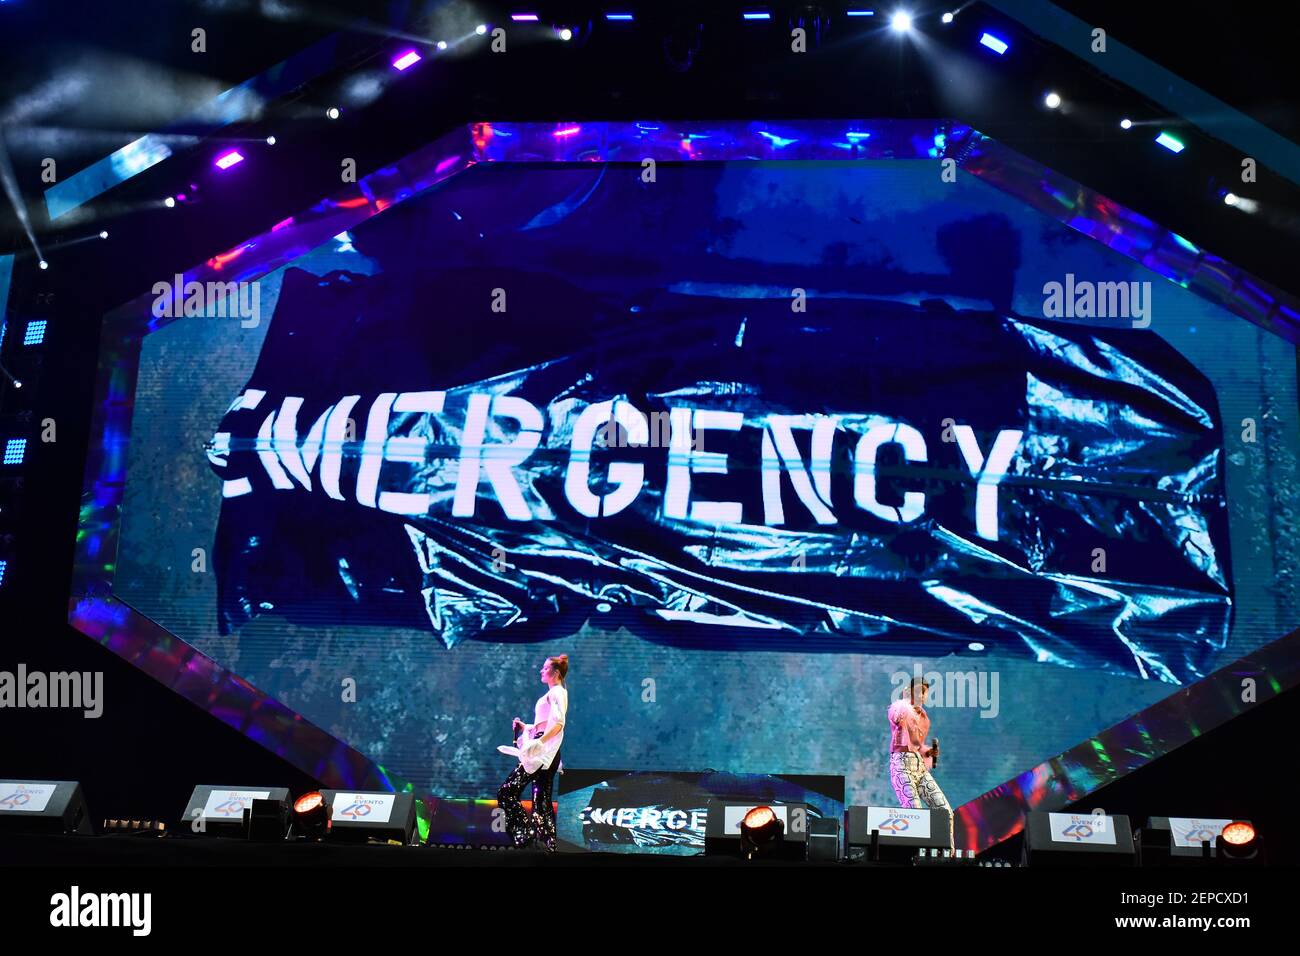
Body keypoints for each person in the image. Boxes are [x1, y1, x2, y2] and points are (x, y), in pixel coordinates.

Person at [497, 654, 569, 851]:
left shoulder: (557, 693)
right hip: (546, 754)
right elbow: (545, 725)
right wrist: (526, 727)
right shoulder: (555, 693)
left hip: (541, 754)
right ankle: (548, 845)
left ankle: (525, 838)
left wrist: (539, 743)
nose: (541, 671)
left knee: (506, 792)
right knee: (542, 801)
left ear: (555, 673)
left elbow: (558, 723)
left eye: (545, 668)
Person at [887, 675, 953, 850]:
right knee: (915, 816)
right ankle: (916, 855)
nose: (922, 696)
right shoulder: (900, 709)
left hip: (918, 767)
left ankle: (947, 855)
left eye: (924, 693)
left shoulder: (924, 717)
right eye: (919, 691)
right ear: (909, 691)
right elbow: (896, 717)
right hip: (901, 766)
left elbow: (916, 745)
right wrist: (905, 700)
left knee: (944, 811)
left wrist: (928, 752)